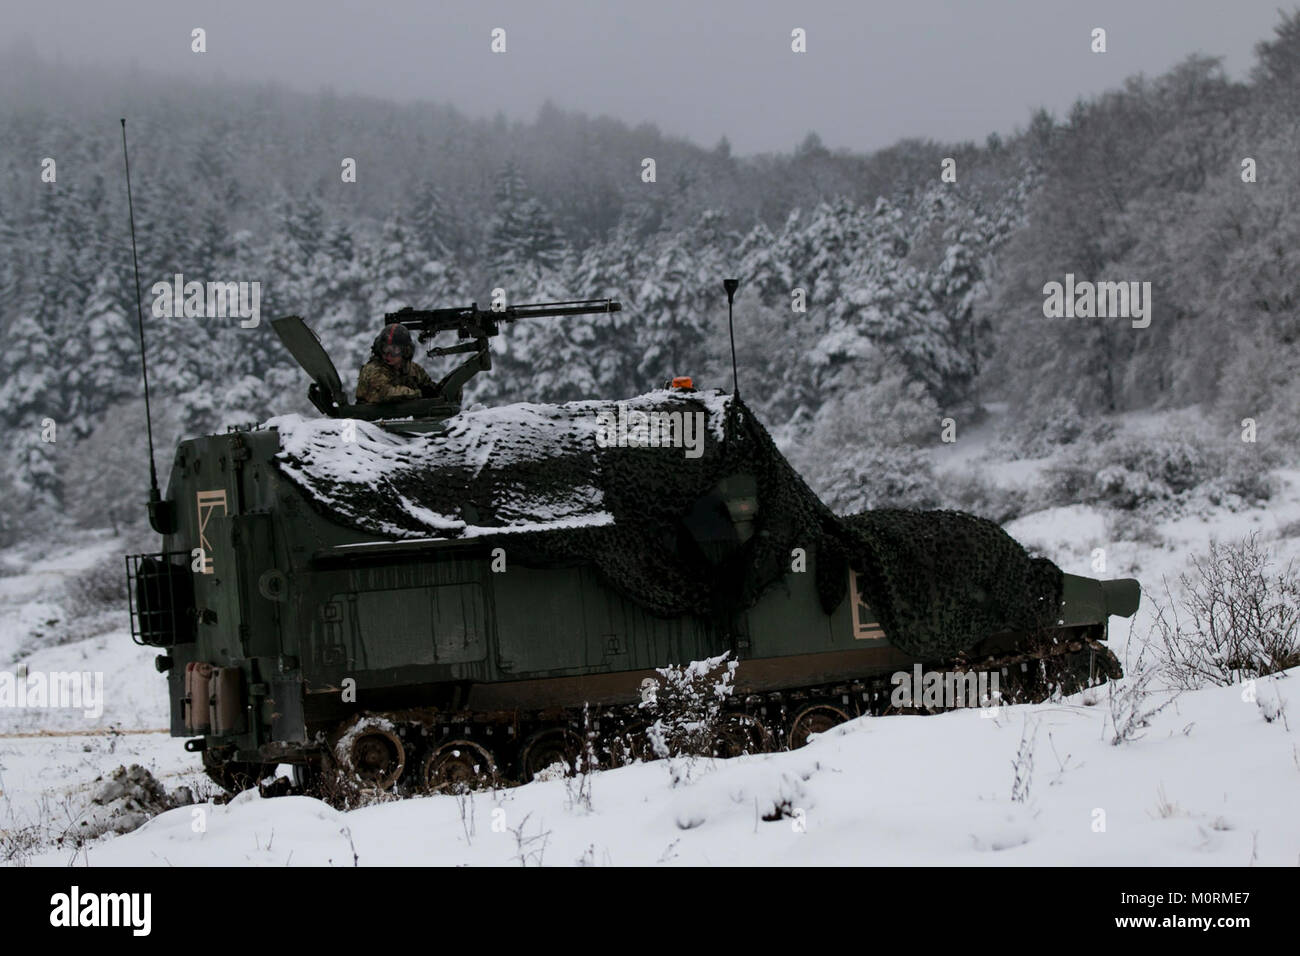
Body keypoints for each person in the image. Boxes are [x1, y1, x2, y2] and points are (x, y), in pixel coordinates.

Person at [355, 323, 437, 403]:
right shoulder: (372, 369)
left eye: (394, 350)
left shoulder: (413, 369)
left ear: (405, 351)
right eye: (385, 349)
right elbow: (386, 393)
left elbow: (432, 388)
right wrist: (418, 393)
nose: (389, 355)